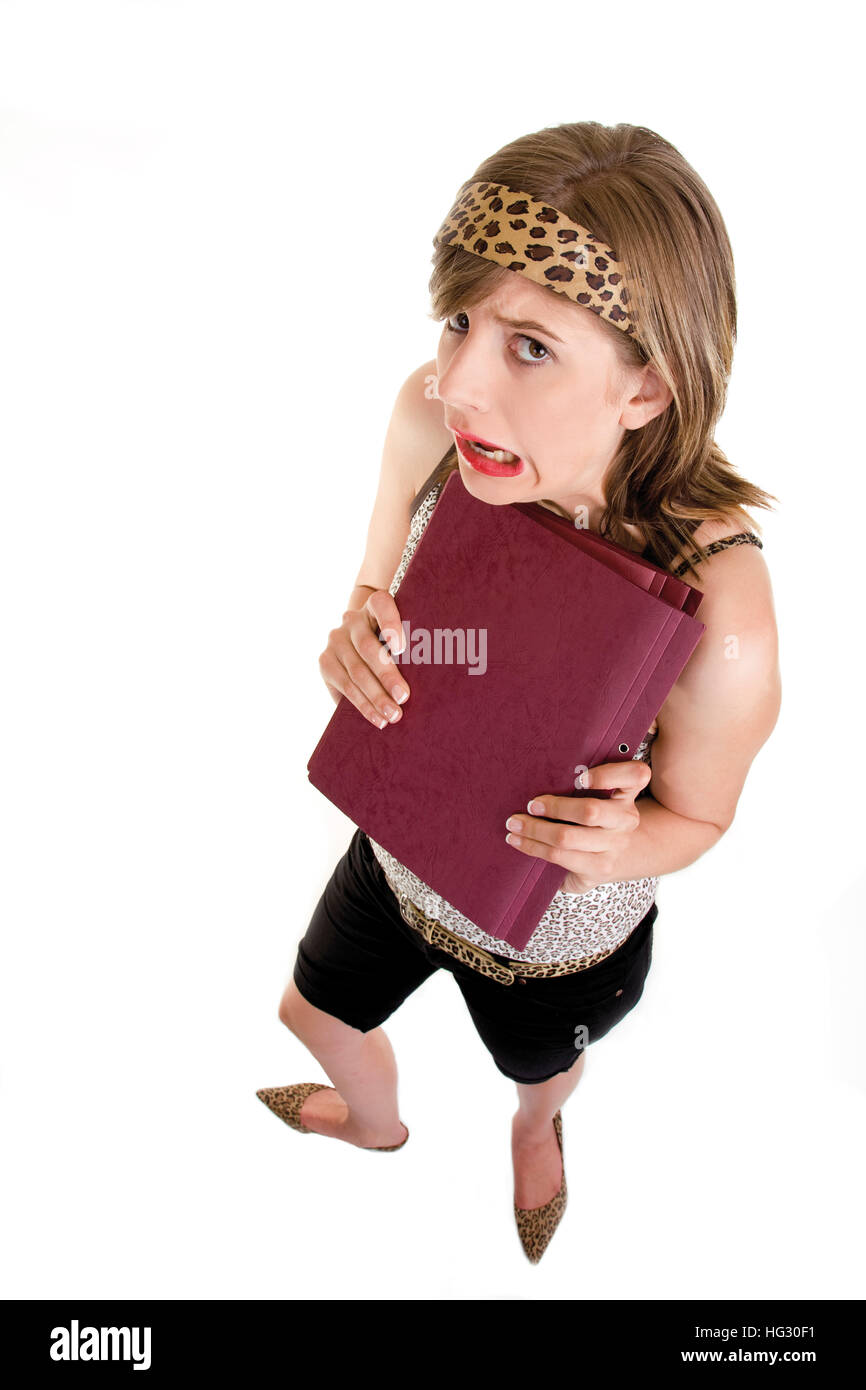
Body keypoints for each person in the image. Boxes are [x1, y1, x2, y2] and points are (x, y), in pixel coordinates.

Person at [256, 121, 782, 1263]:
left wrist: (614, 840)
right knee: (307, 1013)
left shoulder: (717, 606)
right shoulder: (431, 422)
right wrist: (357, 632)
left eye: (529, 346)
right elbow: (375, 583)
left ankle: (536, 1129)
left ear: (647, 386)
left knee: (536, 1069)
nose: (455, 382)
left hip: (556, 945)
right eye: (458, 322)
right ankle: (379, 1124)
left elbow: (697, 817)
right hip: (398, 861)